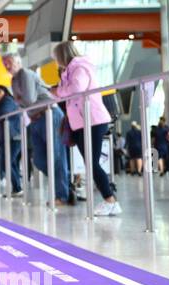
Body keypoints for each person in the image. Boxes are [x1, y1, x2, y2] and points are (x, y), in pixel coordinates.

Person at [51, 41, 121, 215]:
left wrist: (58, 92)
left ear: (62, 55)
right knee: (91, 163)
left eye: (56, 57)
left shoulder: (79, 68)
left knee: (91, 163)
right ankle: (109, 200)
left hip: (93, 120)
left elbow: (77, 88)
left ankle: (110, 200)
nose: (55, 61)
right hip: (83, 122)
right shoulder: (69, 71)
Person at [1, 52, 71, 206]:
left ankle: (63, 194)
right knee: (39, 160)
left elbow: (29, 99)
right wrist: (22, 100)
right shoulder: (14, 80)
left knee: (56, 156)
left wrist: (21, 99)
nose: (6, 66)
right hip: (35, 118)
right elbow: (21, 102)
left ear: (18, 62)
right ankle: (66, 184)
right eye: (4, 63)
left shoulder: (25, 73)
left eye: (9, 62)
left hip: (49, 114)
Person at [0, 85, 22, 195]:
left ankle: (17, 188)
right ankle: (17, 188)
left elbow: (3, 113)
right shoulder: (0, 104)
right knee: (10, 163)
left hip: (13, 136)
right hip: (6, 137)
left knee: (6, 162)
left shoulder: (8, 100)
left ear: (5, 92)